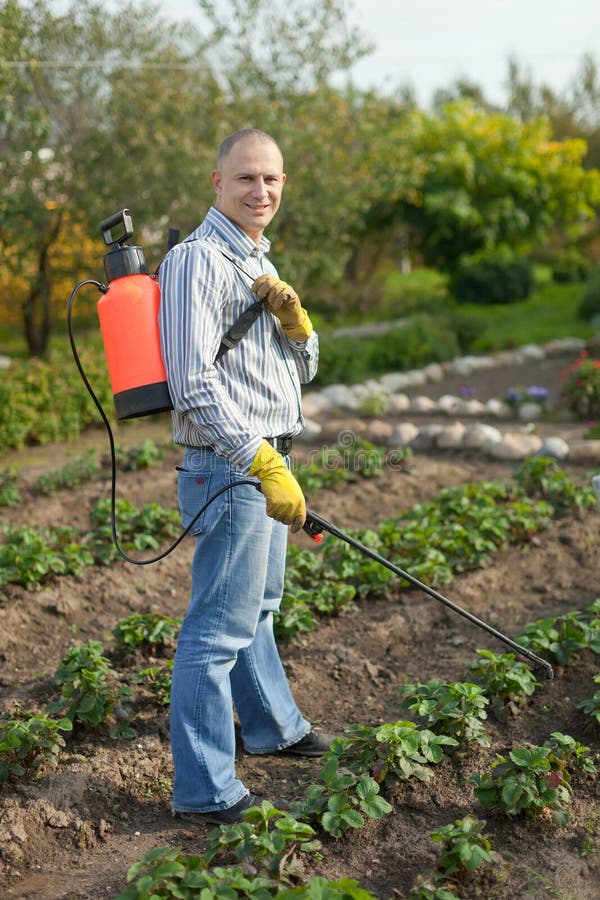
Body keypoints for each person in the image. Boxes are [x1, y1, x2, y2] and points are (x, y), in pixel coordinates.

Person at [158, 128, 335, 825]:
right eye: (246, 179)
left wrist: (297, 325)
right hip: (232, 468)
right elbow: (192, 384)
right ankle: (204, 789)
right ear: (217, 182)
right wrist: (259, 460)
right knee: (214, 631)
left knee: (257, 609)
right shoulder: (198, 260)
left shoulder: (257, 263)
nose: (261, 191)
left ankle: (272, 727)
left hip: (268, 463)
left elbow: (305, 372)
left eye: (273, 181)